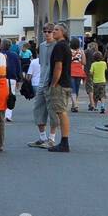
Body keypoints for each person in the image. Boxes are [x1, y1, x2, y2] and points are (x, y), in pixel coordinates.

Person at [29, 30, 58, 149]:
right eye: (45, 31)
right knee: (38, 109)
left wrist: (54, 83)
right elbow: (42, 64)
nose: (47, 34)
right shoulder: (41, 46)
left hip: (51, 82)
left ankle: (52, 138)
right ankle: (42, 137)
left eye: (50, 31)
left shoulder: (57, 46)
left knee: (52, 111)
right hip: (42, 81)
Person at [47, 23, 72, 152]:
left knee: (61, 112)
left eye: (57, 30)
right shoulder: (65, 46)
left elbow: (58, 66)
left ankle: (64, 142)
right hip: (66, 82)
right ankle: (64, 141)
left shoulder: (59, 47)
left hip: (60, 84)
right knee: (61, 111)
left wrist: (53, 83)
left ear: (63, 32)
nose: (53, 31)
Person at [4, 37, 22, 123]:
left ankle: (2, 113)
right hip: (12, 78)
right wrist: (19, 79)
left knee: (1, 96)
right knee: (11, 96)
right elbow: (18, 68)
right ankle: (8, 115)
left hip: (1, 78)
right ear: (10, 46)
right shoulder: (14, 55)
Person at [69, 39, 86, 112]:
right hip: (79, 71)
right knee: (76, 88)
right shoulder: (81, 51)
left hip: (71, 71)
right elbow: (84, 62)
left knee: (72, 89)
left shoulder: (68, 51)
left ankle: (75, 105)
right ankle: (74, 105)